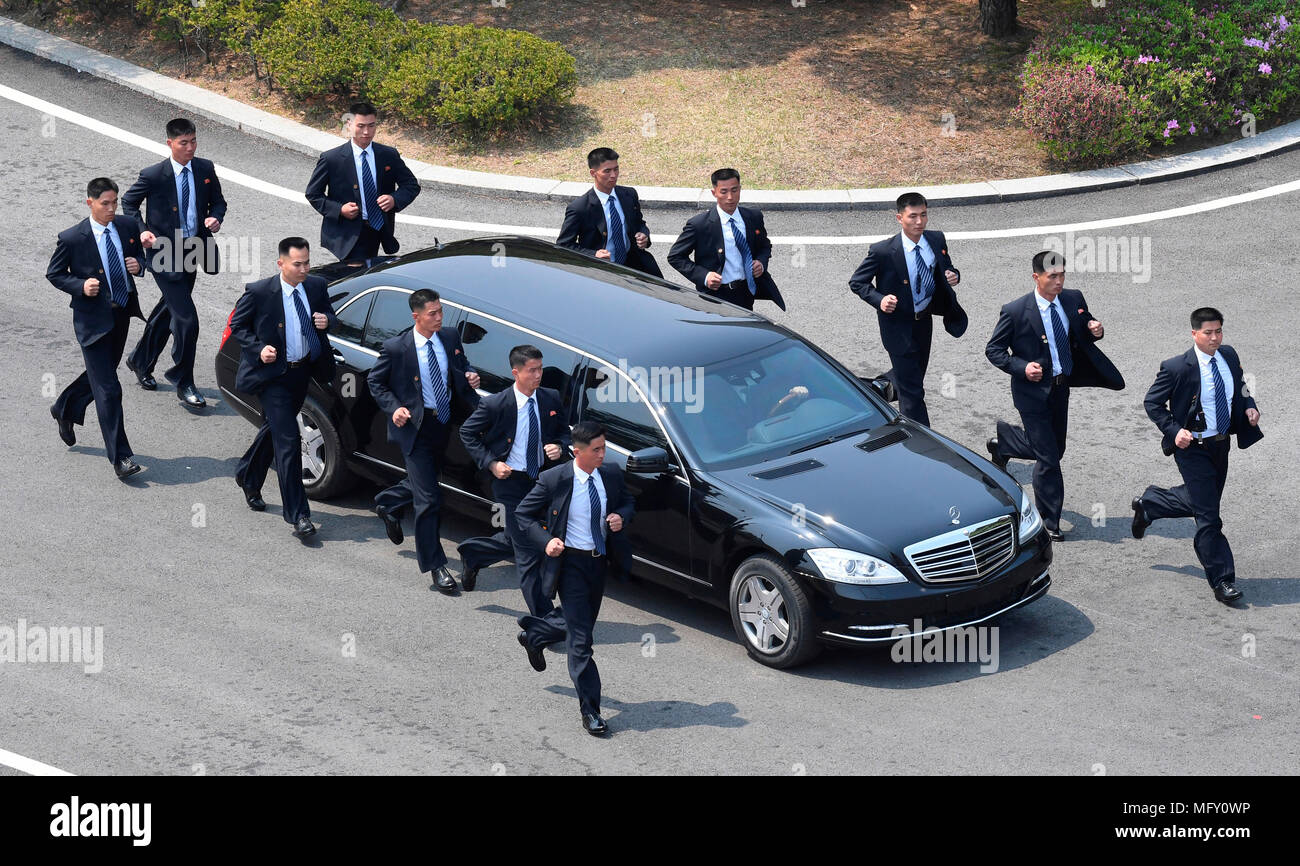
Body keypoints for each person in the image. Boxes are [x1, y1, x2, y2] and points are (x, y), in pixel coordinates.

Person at [985, 251, 1124, 541]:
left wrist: (1095, 329)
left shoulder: (1073, 299)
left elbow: (1082, 331)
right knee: (1048, 459)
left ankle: (1005, 442)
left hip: (1061, 387)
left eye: (1062, 275)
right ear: (1036, 277)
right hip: (1031, 393)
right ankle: (1048, 520)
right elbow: (994, 350)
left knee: (1055, 449)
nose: (1059, 281)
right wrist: (1023, 368)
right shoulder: (1015, 311)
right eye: (1052, 277)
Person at [1131, 308, 1262, 606]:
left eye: (1218, 331)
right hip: (1192, 449)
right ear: (1194, 334)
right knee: (1209, 517)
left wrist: (1248, 406)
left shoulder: (1228, 356)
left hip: (1221, 445)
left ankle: (1150, 504)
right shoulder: (1177, 367)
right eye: (1208, 333)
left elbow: (1240, 386)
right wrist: (1174, 429)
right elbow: (1152, 402)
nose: (1214, 338)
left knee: (1205, 501)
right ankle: (1222, 579)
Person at [515, 422, 634, 737]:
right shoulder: (554, 479)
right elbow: (523, 515)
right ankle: (591, 711)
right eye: (596, 450)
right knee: (581, 641)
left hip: (599, 564)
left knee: (578, 623)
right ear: (576, 452)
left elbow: (627, 502)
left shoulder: (609, 474)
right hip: (570, 567)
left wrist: (621, 517)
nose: (602, 454)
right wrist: (546, 541)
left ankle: (536, 635)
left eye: (603, 448)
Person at [368, 289, 481, 592]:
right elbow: (375, 382)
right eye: (432, 313)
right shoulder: (396, 348)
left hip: (443, 423)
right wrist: (395, 408)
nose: (439, 317)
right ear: (416, 316)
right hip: (414, 429)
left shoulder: (450, 337)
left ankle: (388, 504)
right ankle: (435, 565)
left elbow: (461, 366)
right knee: (429, 499)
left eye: (440, 311)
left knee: (426, 481)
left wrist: (469, 375)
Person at [230, 238, 337, 538]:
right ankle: (298, 515)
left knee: (273, 431)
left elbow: (332, 316)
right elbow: (238, 326)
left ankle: (248, 475)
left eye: (307, 262)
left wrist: (326, 320)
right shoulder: (260, 292)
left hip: (301, 372)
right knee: (289, 440)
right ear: (281, 264)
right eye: (297, 264)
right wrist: (258, 349)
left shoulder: (315, 287)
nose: (304, 269)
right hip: (272, 377)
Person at [123, 117, 227, 409]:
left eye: (194, 140)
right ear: (170, 143)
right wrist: (142, 229)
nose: (191, 147)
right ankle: (183, 381)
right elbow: (129, 203)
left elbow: (219, 202)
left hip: (193, 249)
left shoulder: (205, 169)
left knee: (169, 311)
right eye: (184, 142)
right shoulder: (154, 175)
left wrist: (215, 217)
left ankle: (140, 360)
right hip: (164, 253)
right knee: (187, 320)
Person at [47, 177, 148, 480]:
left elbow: (143, 259)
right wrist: (80, 285)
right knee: (109, 388)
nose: (111, 208)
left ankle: (64, 407)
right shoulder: (73, 238)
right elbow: (54, 273)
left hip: (120, 315)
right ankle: (121, 457)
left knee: (101, 377)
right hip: (91, 322)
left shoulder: (128, 226)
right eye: (105, 203)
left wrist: (139, 266)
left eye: (115, 202)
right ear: (89, 202)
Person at [457, 346, 572, 605]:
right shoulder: (495, 404)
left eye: (540, 368)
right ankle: (543, 620)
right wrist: (491, 463)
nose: (538, 375)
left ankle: (474, 555)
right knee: (529, 551)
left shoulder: (551, 398)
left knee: (519, 537)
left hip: (542, 482)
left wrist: (560, 446)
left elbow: (564, 433)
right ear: (516, 372)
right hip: (510, 483)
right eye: (532, 370)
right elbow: (467, 433)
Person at [848, 192, 967, 425]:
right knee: (913, 393)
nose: (919, 222)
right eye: (912, 216)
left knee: (913, 377)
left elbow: (948, 267)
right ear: (899, 218)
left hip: (924, 321)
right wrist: (879, 300)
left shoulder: (936, 240)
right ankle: (921, 444)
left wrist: (954, 276)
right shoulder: (883, 251)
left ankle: (880, 387)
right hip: (897, 327)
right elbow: (857, 282)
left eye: (923, 215)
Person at [304, 102, 420, 262]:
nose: (366, 132)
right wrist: (340, 209)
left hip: (379, 228)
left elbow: (411, 185)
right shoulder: (332, 159)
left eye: (371, 126)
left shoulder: (388, 155)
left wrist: (394, 199)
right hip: (349, 232)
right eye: (361, 126)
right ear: (349, 125)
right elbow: (313, 194)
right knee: (356, 273)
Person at [667, 168, 786, 311]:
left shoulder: (753, 217)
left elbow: (764, 245)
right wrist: (704, 276)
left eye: (734, 190)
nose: (730, 197)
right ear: (714, 193)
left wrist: (761, 262)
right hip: (714, 297)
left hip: (745, 292)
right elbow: (675, 256)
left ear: (740, 190)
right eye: (723, 192)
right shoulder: (699, 225)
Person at [556, 147, 662, 277]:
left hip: (634, 265)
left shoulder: (629, 194)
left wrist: (644, 235)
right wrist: (593, 255)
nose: (613, 175)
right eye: (607, 171)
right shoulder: (579, 208)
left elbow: (639, 223)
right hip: (600, 271)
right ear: (593, 173)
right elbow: (564, 245)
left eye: (616, 169)